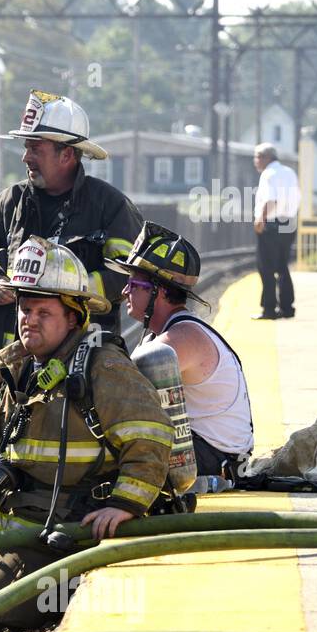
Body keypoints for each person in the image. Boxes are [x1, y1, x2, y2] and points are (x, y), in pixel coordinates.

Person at [0, 238, 173, 629]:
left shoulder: (103, 368)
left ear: (74, 318)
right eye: (26, 310)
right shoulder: (16, 362)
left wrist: (125, 505)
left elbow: (152, 438)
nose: (29, 320)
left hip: (62, 528)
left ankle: (34, 594)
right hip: (7, 511)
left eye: (44, 312)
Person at [0, 89, 142, 351]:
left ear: (66, 154)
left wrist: (71, 290)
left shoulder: (110, 207)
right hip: (14, 359)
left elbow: (128, 275)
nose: (26, 157)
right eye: (26, 148)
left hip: (85, 354)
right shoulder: (9, 203)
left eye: (35, 148)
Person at [109, 223, 254, 479]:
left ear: (160, 291)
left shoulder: (183, 338)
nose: (124, 291)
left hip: (213, 457)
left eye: (134, 283)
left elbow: (123, 386)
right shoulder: (168, 331)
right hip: (209, 451)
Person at [252, 143, 301, 320]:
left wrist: (261, 219)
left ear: (266, 157)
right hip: (289, 222)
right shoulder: (289, 172)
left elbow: (271, 199)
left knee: (266, 267)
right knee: (282, 266)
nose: (255, 161)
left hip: (272, 224)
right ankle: (287, 308)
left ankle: (269, 309)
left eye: (257, 157)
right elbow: (297, 197)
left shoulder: (268, 174)